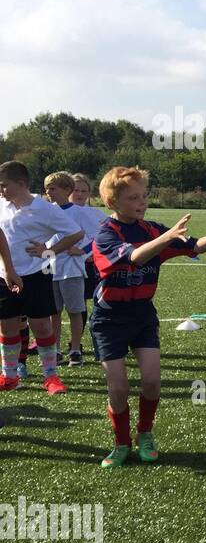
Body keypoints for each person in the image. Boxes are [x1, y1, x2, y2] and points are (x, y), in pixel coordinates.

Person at [91, 167, 206, 466]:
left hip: (142, 315)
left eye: (144, 196)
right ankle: (121, 443)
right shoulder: (105, 235)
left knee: (152, 381)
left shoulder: (152, 230)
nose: (142, 203)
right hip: (109, 320)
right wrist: (165, 238)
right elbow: (135, 257)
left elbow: (193, 246)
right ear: (112, 203)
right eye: (133, 198)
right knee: (119, 387)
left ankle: (145, 434)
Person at [0, 161, 84, 394]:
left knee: (42, 327)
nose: (1, 190)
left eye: (4, 186)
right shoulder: (1, 205)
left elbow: (76, 233)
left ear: (21, 183)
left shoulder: (46, 209)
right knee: (7, 327)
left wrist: (49, 252)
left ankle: (51, 377)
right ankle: (9, 376)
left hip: (37, 274)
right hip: (5, 276)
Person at [42, 172, 92, 366]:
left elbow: (98, 236)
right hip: (49, 268)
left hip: (71, 269)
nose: (48, 192)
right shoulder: (47, 210)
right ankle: (55, 350)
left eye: (53, 188)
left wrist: (82, 251)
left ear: (66, 190)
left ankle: (75, 350)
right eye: (47, 188)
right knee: (53, 312)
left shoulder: (79, 212)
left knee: (75, 311)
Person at [70, 173, 109, 348]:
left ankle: (96, 341)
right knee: (69, 306)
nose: (79, 194)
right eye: (75, 190)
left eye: (83, 191)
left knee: (94, 303)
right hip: (64, 266)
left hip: (91, 265)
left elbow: (105, 237)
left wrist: (86, 252)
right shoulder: (56, 212)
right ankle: (66, 344)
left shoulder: (96, 214)